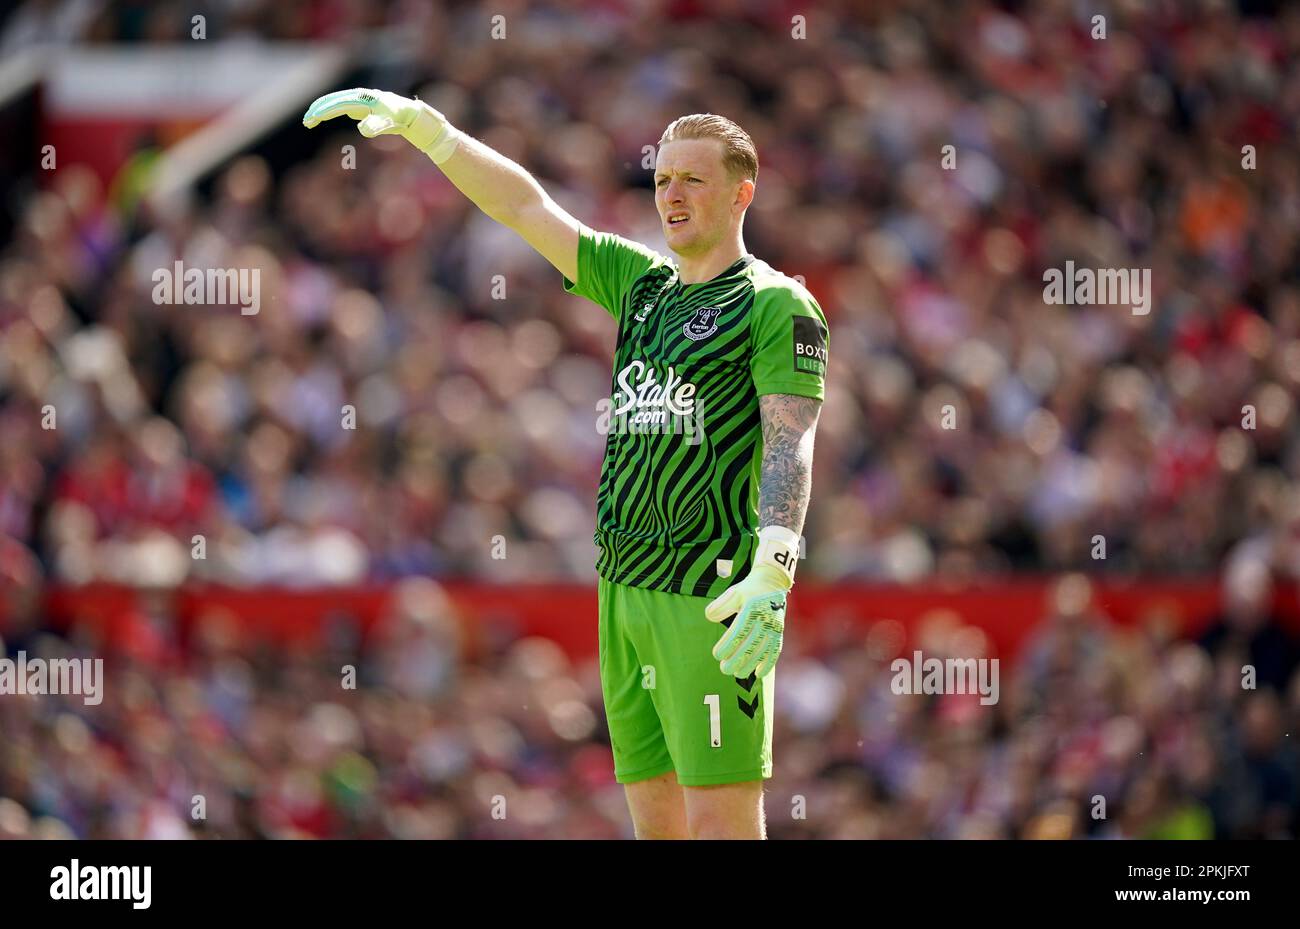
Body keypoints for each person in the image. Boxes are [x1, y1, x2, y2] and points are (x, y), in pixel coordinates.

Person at [303, 88, 829, 839]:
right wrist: (436, 132)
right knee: (657, 821)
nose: (671, 196)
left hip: (710, 591)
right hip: (622, 589)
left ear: (743, 193)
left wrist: (775, 565)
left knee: (721, 821)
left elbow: (790, 436)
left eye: (693, 180)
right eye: (661, 180)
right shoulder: (641, 286)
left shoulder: (777, 304)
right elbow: (526, 208)